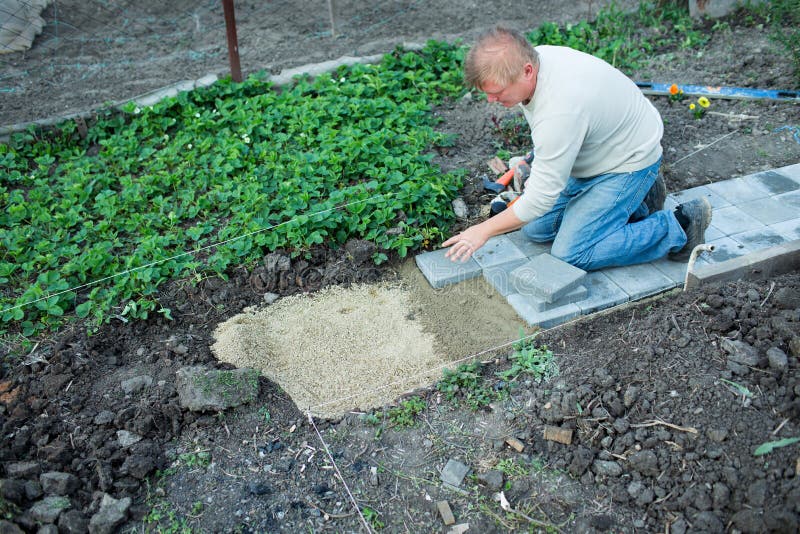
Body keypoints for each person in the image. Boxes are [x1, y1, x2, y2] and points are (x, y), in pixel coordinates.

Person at [443, 26, 711, 270]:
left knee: (572, 253)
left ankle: (681, 225)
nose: (491, 99)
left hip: (628, 161)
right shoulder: (537, 60)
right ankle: (642, 200)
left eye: (497, 91)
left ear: (527, 70)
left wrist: (483, 230)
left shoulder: (559, 109)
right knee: (535, 229)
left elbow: (539, 199)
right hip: (602, 151)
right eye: (487, 93)